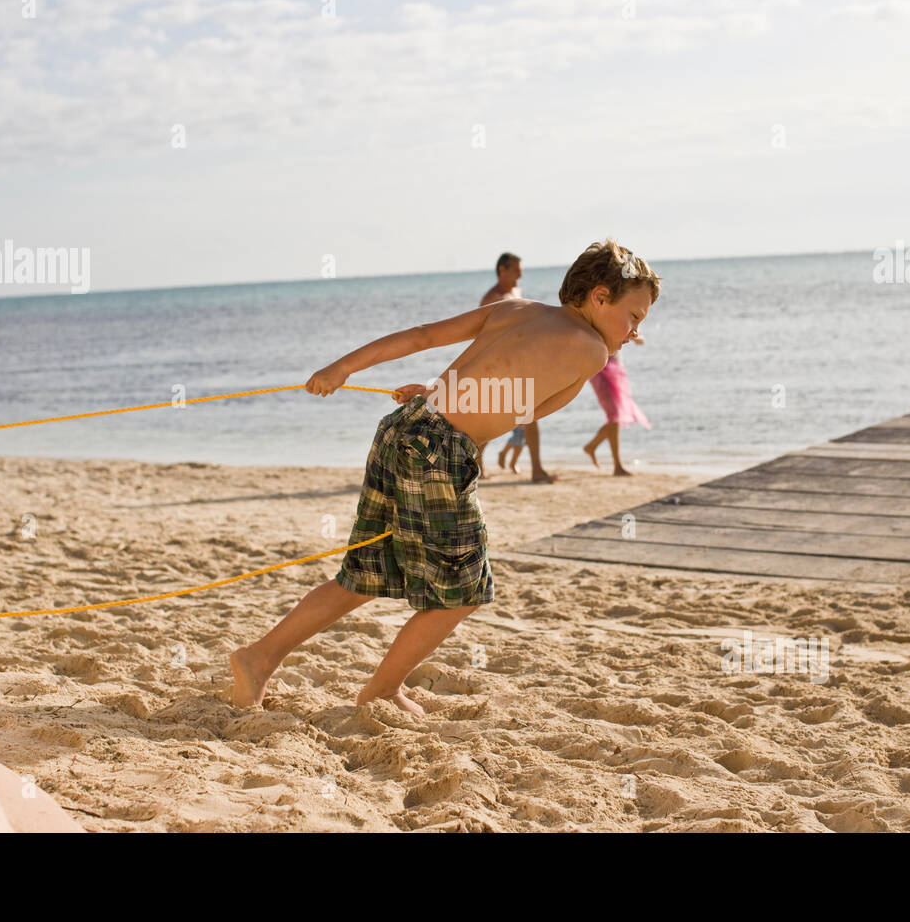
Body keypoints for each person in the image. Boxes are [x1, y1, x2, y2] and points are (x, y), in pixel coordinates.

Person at [229, 239, 661, 716]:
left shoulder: (513, 308)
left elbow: (421, 337)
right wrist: (457, 405)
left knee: (366, 574)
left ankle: (258, 657)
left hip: (405, 426)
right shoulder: (591, 350)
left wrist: (344, 368)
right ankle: (382, 691)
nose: (635, 331)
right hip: (438, 451)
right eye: (634, 316)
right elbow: (525, 408)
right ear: (599, 297)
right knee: (464, 591)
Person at [476, 252, 556, 483]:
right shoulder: (491, 298)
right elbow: (483, 336)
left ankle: (537, 469)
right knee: (491, 419)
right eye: (516, 269)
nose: (520, 274)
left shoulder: (515, 293)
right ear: (502, 270)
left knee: (529, 415)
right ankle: (479, 466)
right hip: (499, 367)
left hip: (519, 363)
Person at [583, 336, 651, 476]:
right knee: (614, 416)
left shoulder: (621, 315)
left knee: (615, 417)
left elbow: (637, 336)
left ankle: (596, 449)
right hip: (598, 367)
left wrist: (633, 336)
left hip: (614, 367)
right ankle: (613, 462)